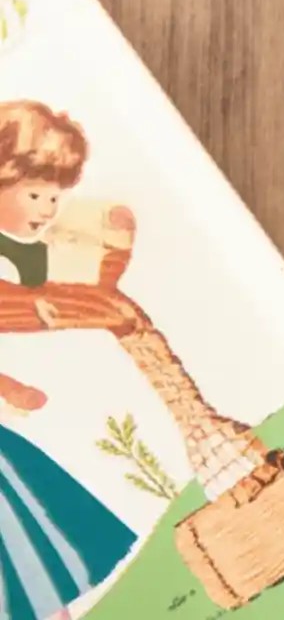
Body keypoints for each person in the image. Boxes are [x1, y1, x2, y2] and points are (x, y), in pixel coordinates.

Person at [0, 100, 136, 620]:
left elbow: (80, 283)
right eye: (36, 194)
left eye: (53, 197)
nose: (47, 207)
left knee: (34, 539)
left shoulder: (39, 244)